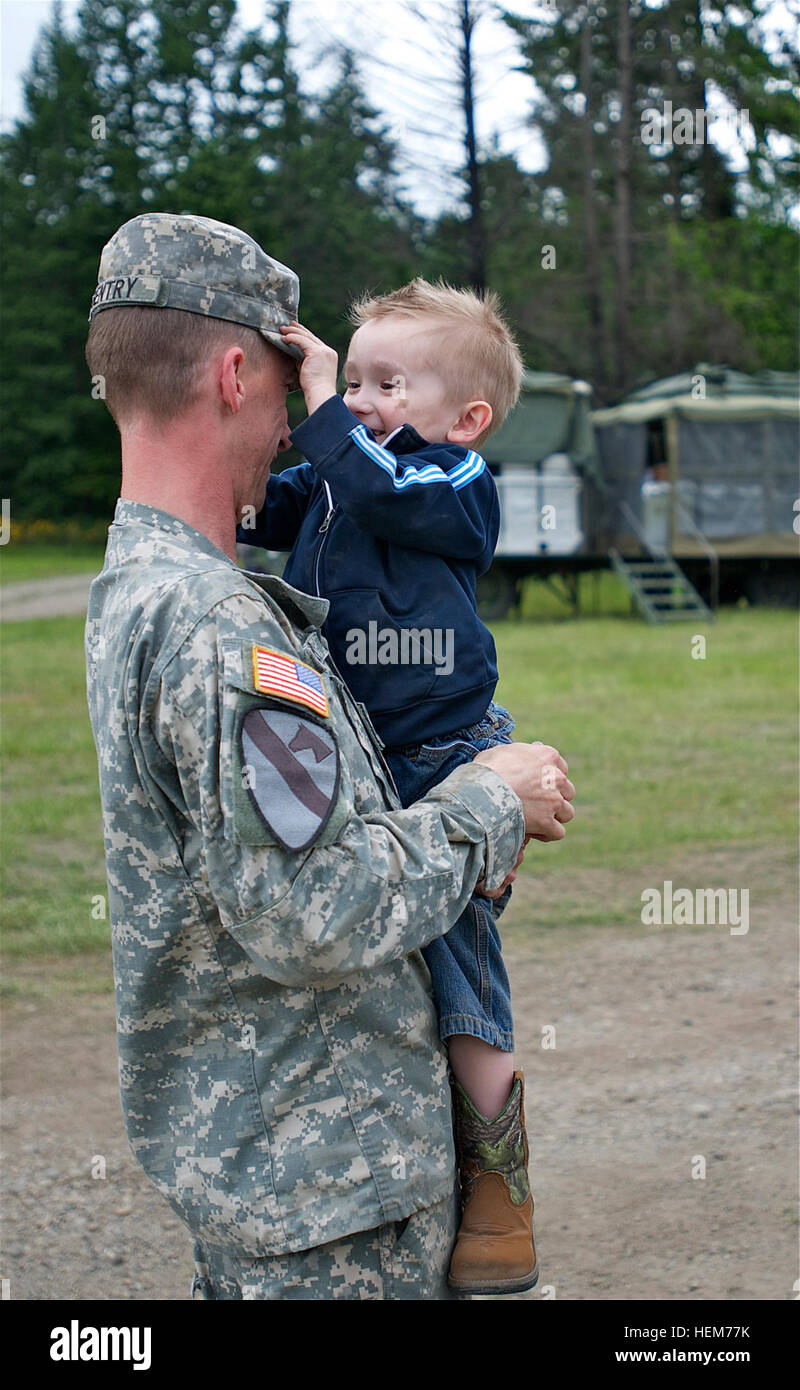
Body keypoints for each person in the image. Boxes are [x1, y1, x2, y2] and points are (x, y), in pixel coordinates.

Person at [83, 211, 575, 1301]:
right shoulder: (220, 626)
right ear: (230, 375)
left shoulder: (136, 588)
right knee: (471, 965)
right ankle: (501, 1171)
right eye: (301, 381)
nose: (322, 416)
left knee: (467, 974)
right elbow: (319, 908)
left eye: (367, 388)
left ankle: (498, 1165)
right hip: (332, 1202)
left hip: (269, 1161)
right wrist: (491, 801)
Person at [237, 284, 536, 1293]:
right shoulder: (341, 471)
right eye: (349, 376)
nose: (356, 397)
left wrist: (322, 411)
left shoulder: (454, 481)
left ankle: (501, 1188)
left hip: (441, 751)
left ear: (466, 417)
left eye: (383, 383)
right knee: (370, 953)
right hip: (357, 746)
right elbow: (278, 503)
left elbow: (371, 491)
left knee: (461, 969)